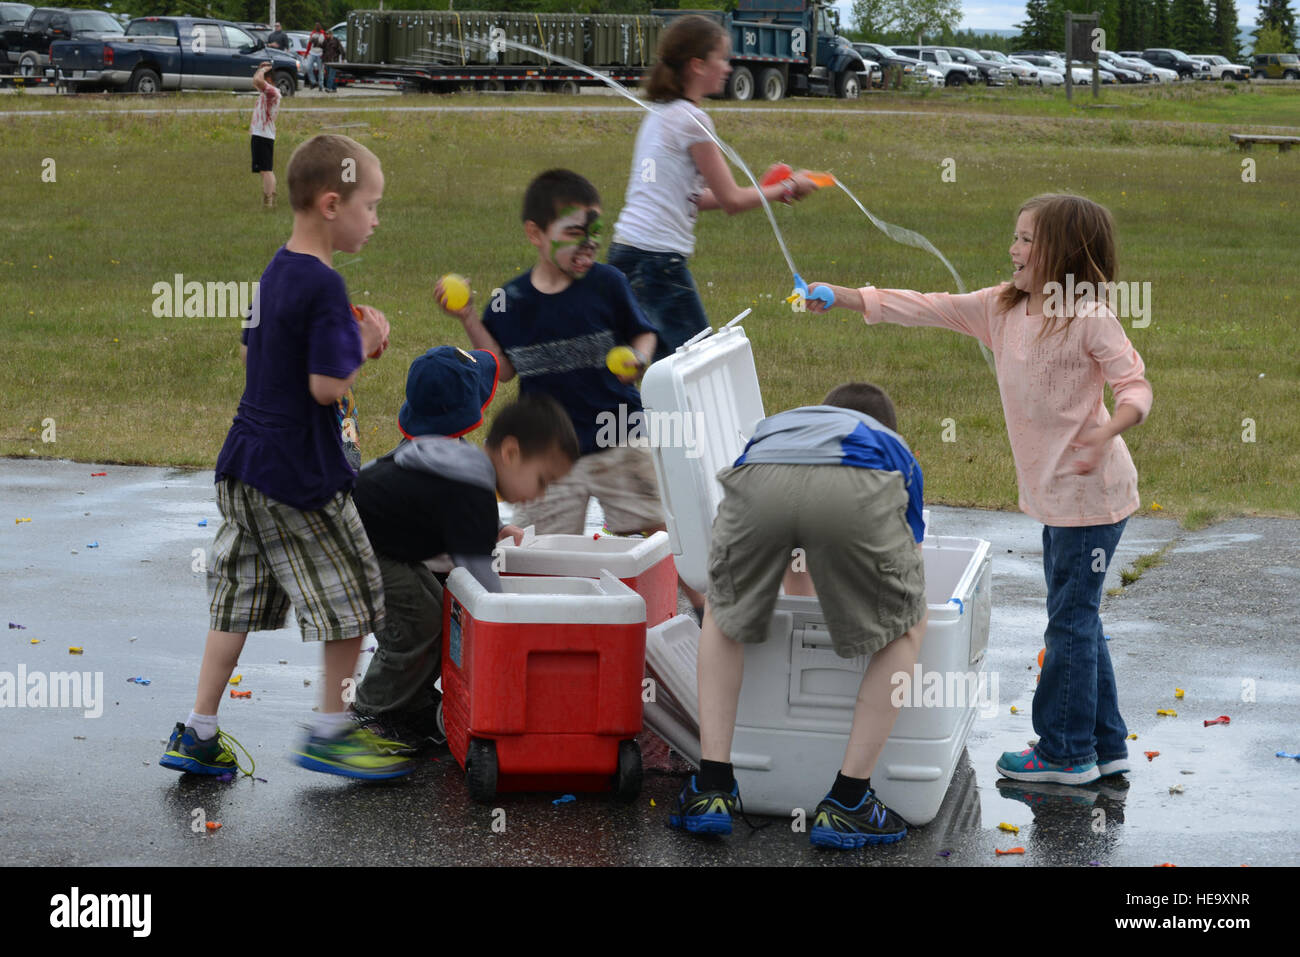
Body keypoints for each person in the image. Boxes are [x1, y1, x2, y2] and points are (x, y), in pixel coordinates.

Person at [805, 193, 1153, 787]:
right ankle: (1106, 743)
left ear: (1064, 252)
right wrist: (844, 296)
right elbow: (927, 306)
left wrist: (1109, 430)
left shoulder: (1089, 316)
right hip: (1058, 498)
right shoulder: (1001, 308)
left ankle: (1065, 752)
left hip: (1093, 498)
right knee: (1079, 618)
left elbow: (1136, 387)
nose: (1013, 249)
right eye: (1014, 237)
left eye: (1026, 240)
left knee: (1069, 622)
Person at [159, 133, 405, 781]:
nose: (376, 219)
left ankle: (199, 729)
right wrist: (368, 338)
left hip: (243, 465)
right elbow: (327, 386)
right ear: (332, 204)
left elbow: (251, 355)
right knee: (353, 590)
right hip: (299, 474)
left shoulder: (275, 268)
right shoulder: (325, 284)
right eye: (371, 205)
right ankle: (331, 729)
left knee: (237, 596)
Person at [669, 382, 929, 848]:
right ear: (887, 424)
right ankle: (850, 800)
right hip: (853, 487)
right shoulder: (890, 446)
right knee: (905, 626)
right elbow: (909, 565)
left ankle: (711, 786)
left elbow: (795, 553)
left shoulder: (778, 428)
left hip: (757, 478)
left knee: (724, 614)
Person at [436, 170, 675, 558]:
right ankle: (559, 615)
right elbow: (505, 368)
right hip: (546, 454)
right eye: (574, 231)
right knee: (544, 552)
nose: (589, 243)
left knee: (664, 531)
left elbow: (643, 333)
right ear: (536, 234)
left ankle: (703, 605)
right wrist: (468, 318)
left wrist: (639, 357)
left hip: (618, 435)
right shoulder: (510, 299)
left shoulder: (608, 283)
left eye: (595, 231)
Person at [350, 355, 580, 751]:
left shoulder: (465, 464)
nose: (541, 495)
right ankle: (370, 715)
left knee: (438, 614)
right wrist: (511, 623)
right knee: (419, 624)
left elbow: (438, 500)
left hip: (381, 542)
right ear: (510, 454)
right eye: (542, 480)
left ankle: (408, 705)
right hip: (354, 543)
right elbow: (481, 579)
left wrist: (491, 530)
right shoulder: (470, 478)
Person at [608, 14, 819, 361]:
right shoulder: (694, 120)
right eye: (721, 58)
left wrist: (767, 189)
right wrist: (787, 187)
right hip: (657, 262)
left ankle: (631, 415)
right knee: (695, 365)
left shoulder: (662, 113)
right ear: (696, 65)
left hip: (627, 255)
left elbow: (699, 198)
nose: (727, 67)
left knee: (653, 365)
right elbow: (733, 200)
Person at [249, 61, 280, 208]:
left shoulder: (272, 92)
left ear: (268, 79)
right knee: (264, 169)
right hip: (260, 134)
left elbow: (257, 81)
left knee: (266, 170)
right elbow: (255, 82)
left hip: (264, 135)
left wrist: (264, 70)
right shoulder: (266, 91)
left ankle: (268, 201)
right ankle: (270, 197)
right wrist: (260, 69)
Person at [306, 22, 326, 90]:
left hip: (320, 54)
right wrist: (306, 53)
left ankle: (321, 85)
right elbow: (309, 44)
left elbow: (325, 45)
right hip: (312, 53)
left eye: (318, 26)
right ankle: (313, 82)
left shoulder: (323, 33)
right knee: (308, 67)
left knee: (321, 70)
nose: (317, 27)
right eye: (316, 26)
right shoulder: (313, 33)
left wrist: (324, 54)